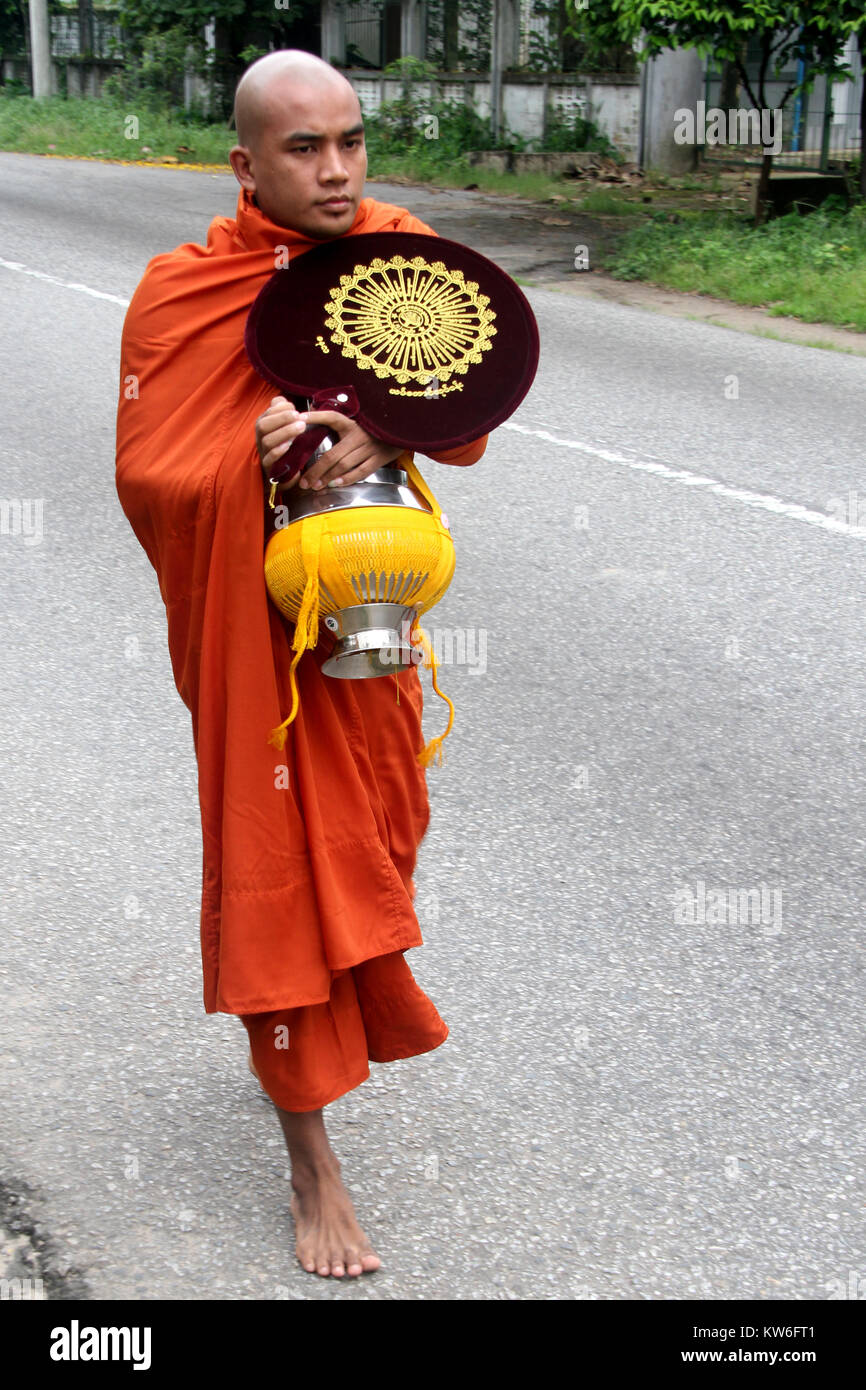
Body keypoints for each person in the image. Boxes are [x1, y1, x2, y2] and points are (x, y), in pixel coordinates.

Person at [114, 48, 487, 1282]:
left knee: (377, 834)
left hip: (363, 616)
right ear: (244, 163)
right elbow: (151, 473)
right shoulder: (185, 288)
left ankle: (326, 1031)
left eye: (351, 141)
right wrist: (257, 449)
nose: (336, 172)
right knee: (282, 863)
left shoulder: (396, 249)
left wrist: (376, 422)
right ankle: (309, 1157)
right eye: (301, 149)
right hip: (246, 637)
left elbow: (468, 400)